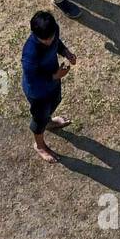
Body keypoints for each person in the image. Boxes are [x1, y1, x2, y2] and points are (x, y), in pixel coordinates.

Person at [21, 10, 76, 163]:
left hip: (53, 83)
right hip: (38, 93)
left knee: (56, 101)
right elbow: (33, 80)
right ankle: (39, 145)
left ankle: (49, 122)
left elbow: (57, 43)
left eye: (51, 37)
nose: (49, 41)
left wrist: (66, 52)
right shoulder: (29, 55)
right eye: (44, 39)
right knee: (39, 120)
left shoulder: (53, 31)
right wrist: (55, 76)